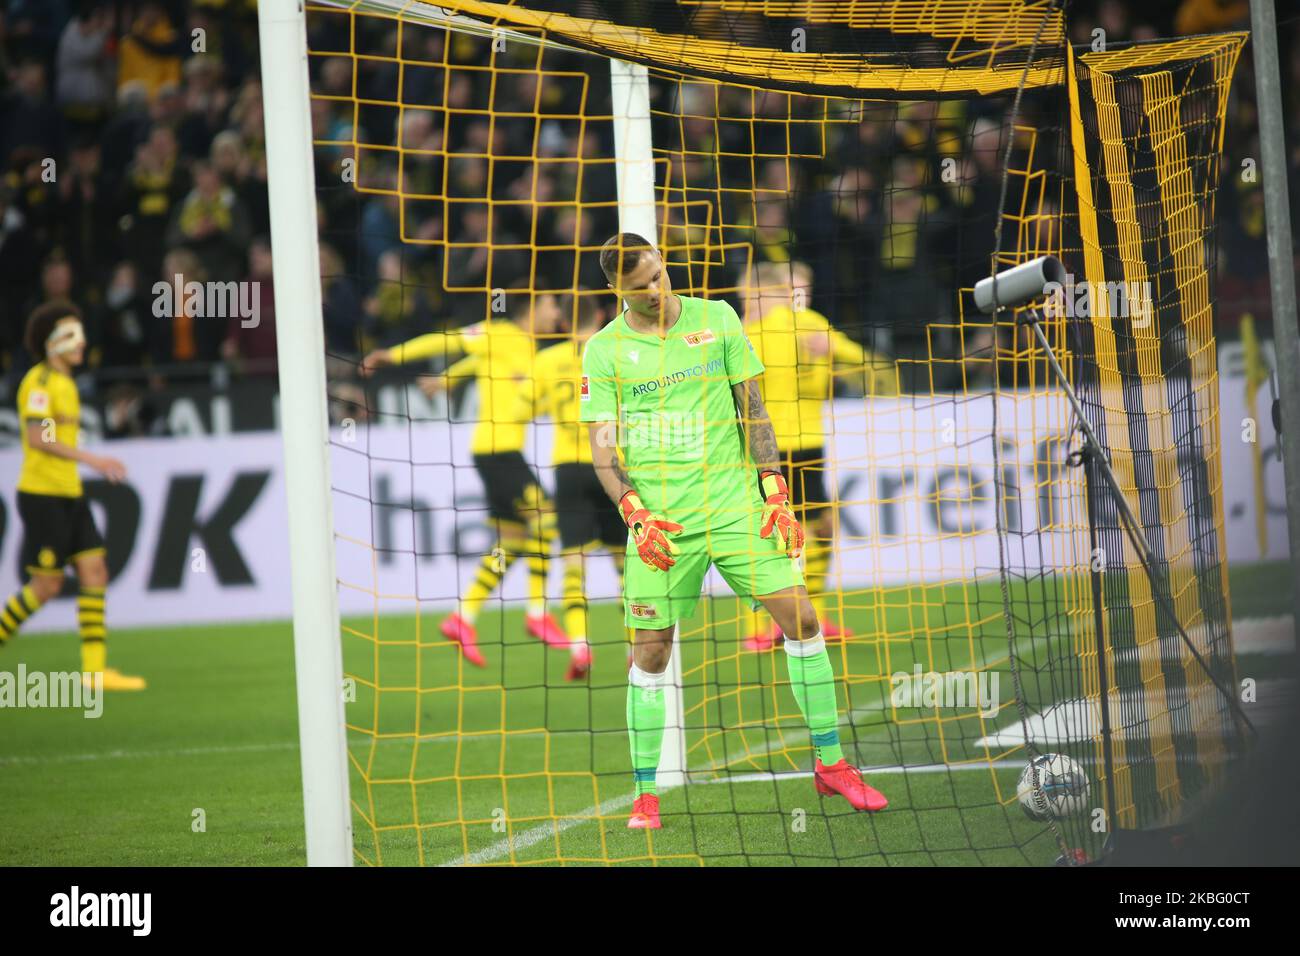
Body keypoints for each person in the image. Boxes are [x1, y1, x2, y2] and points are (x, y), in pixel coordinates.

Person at [582, 233, 887, 829]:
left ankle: (832, 763)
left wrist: (773, 487)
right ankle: (646, 795)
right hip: (663, 526)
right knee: (650, 652)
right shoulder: (604, 350)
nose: (651, 292)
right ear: (615, 291)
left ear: (664, 265)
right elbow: (601, 449)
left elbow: (753, 409)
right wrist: (634, 513)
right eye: (635, 286)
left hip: (735, 508)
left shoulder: (717, 318)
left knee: (802, 619)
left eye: (655, 276)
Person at [361, 285, 567, 667]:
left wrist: (449, 379)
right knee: (548, 520)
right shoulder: (500, 332)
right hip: (497, 452)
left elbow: (482, 364)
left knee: (514, 542)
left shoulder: (526, 348)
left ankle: (463, 617)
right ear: (534, 306)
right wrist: (392, 355)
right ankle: (538, 613)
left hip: (502, 453)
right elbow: (446, 339)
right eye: (553, 306)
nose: (557, 316)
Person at [741, 259, 897, 649]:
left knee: (801, 531)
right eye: (793, 289)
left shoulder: (772, 328)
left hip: (783, 445)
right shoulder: (783, 327)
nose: (799, 298)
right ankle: (771, 625)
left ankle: (801, 617)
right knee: (789, 534)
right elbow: (867, 360)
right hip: (782, 446)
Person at [0, 302, 146, 690]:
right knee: (45, 588)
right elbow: (38, 438)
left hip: (68, 491)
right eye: (69, 335)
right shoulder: (42, 383)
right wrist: (93, 459)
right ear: (50, 343)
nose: (80, 343)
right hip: (43, 494)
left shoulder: (65, 383)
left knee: (94, 570)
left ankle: (94, 672)